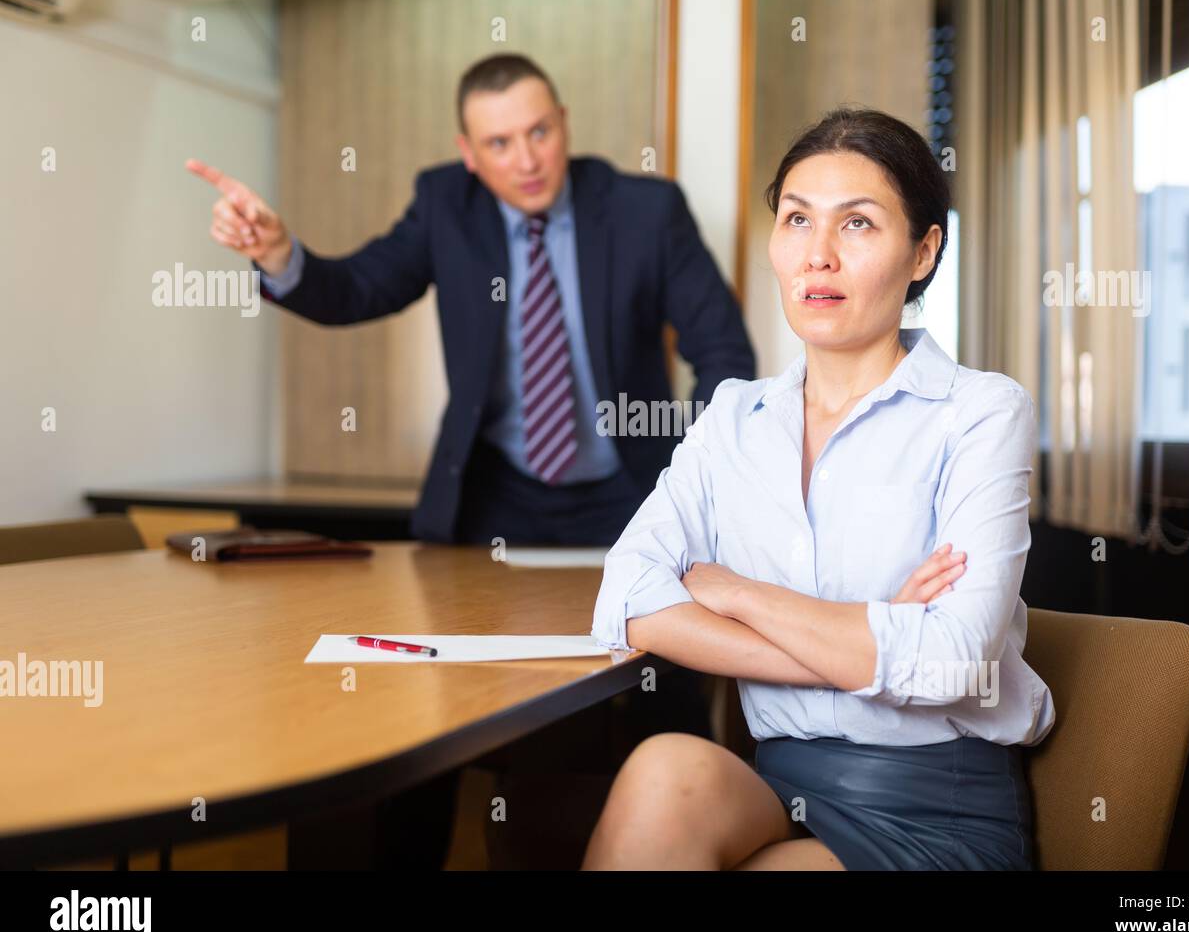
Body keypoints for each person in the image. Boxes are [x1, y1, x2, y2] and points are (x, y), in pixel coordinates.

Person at [583, 107, 1056, 871]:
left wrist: (737, 592)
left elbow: (951, 662)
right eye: (798, 220)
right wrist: (858, 639)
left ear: (923, 252)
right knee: (663, 771)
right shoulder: (735, 415)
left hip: (936, 816)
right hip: (776, 792)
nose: (819, 256)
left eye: (859, 225)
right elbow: (629, 597)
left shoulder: (979, 412)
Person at [186, 53, 755, 547]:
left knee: (636, 661)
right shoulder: (444, 207)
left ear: (564, 123)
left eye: (539, 132)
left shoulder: (645, 212)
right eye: (499, 144)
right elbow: (357, 288)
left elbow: (724, 353)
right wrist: (279, 252)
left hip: (632, 488)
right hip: (495, 495)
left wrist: (692, 474)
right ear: (469, 152)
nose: (526, 162)